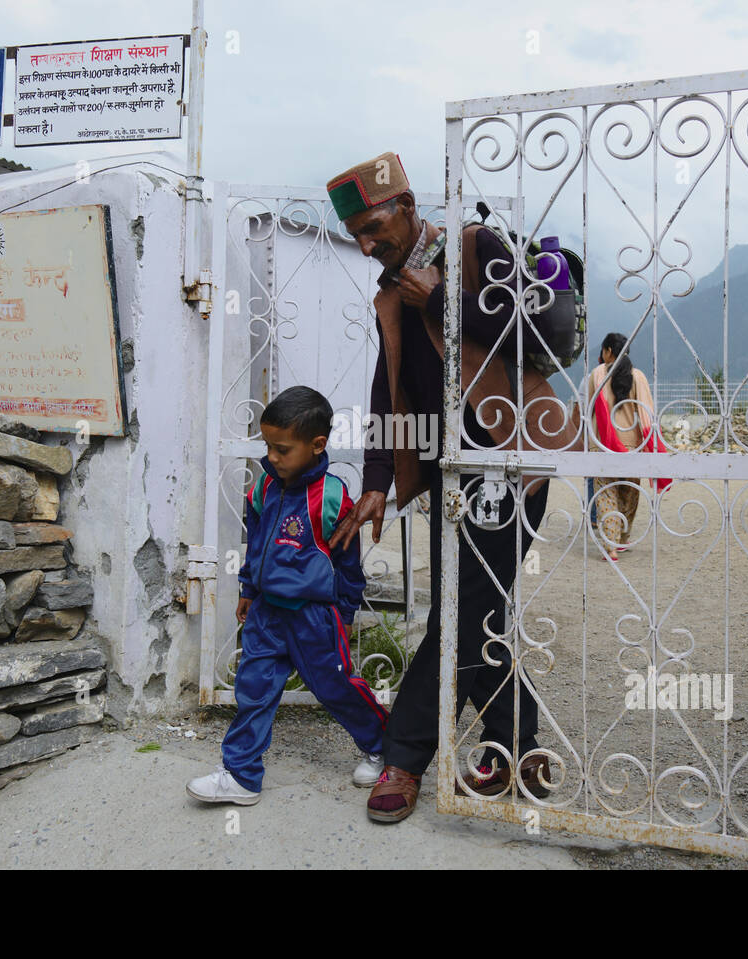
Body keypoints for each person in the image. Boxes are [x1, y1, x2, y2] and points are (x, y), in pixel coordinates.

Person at [323, 151, 578, 823]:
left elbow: (536, 331)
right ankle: (513, 752)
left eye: (376, 228)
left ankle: (404, 758)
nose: (369, 244)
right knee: (474, 615)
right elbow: (392, 385)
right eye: (359, 237)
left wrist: (439, 298)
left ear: (407, 207)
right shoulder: (389, 290)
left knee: (458, 614)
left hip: (507, 462)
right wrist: (378, 478)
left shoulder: (474, 249)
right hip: (450, 477)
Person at [186, 386, 389, 806]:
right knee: (254, 689)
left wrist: (347, 612)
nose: (273, 457)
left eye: (282, 449)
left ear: (317, 445)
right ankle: (241, 775)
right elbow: (256, 544)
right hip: (266, 613)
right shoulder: (262, 489)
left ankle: (385, 746)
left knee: (335, 687)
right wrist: (247, 588)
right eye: (268, 447)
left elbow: (348, 563)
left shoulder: (332, 498)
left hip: (315, 617)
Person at [587, 332, 669, 560]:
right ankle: (622, 539)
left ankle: (610, 546)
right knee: (629, 493)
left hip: (603, 442)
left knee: (605, 494)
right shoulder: (638, 376)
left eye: (603, 351)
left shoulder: (598, 374)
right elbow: (647, 412)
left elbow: (590, 408)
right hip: (633, 445)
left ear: (609, 351)